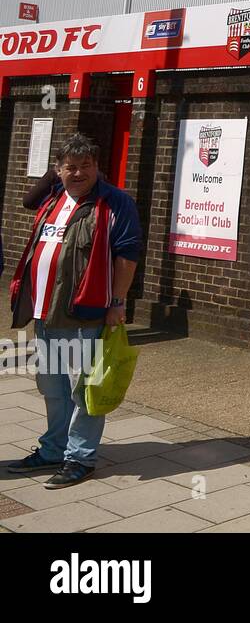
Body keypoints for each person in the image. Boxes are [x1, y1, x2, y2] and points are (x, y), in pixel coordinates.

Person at [5, 133, 143, 489]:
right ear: (58, 170)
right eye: (70, 167)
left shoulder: (115, 204)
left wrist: (117, 302)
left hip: (87, 313)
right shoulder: (52, 198)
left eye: (86, 166)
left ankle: (80, 458)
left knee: (85, 389)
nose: (78, 173)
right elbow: (27, 205)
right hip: (44, 312)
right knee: (52, 386)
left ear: (98, 168)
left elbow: (127, 256)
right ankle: (53, 449)